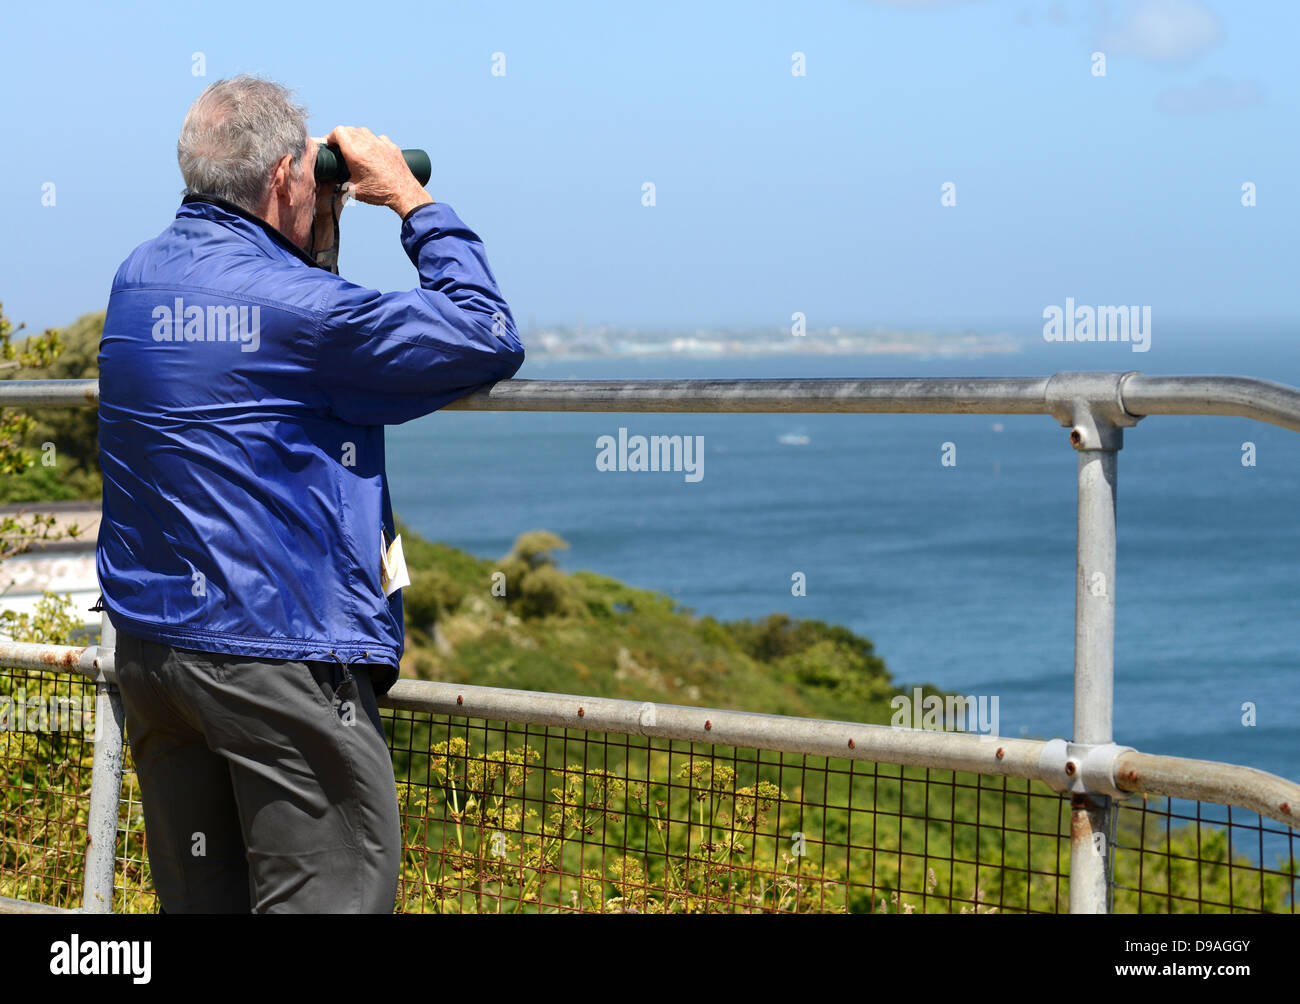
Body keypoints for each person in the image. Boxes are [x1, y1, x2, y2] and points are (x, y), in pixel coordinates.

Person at [95, 75, 524, 913]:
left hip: (155, 657)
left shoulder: (137, 279)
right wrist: (409, 198)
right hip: (273, 656)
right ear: (289, 176)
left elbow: (270, 355)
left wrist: (314, 239)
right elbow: (485, 333)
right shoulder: (308, 313)